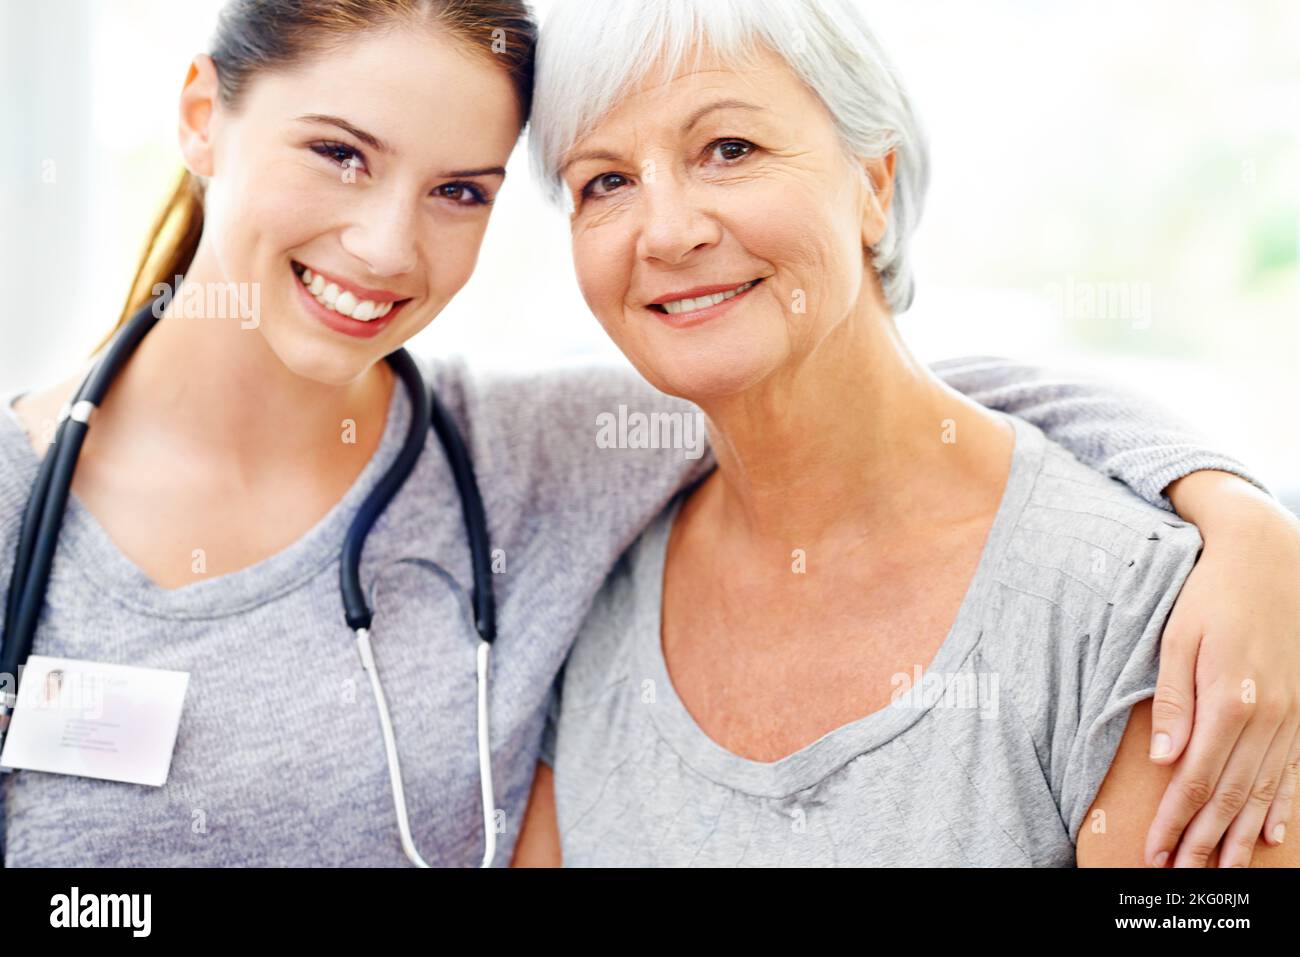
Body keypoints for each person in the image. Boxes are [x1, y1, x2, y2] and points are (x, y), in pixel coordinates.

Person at [513, 0, 1300, 867]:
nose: (665, 232)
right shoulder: (587, 586)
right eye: (605, 182)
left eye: (728, 149)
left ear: (873, 184)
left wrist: (1245, 512)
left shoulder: (1145, 611)